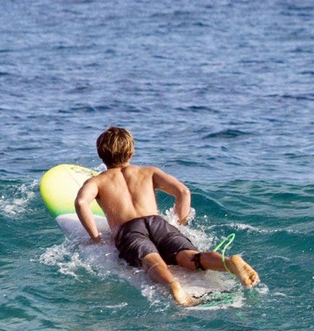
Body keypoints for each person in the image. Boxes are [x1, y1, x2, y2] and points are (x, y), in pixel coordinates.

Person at [75, 126, 259, 307]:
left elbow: (81, 202)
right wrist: (179, 223)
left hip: (129, 230)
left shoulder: (97, 181)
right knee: (190, 257)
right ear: (131, 153)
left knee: (152, 261)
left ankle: (172, 285)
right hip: (158, 223)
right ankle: (229, 263)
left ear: (101, 155)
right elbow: (183, 191)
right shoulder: (148, 172)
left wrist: (96, 238)